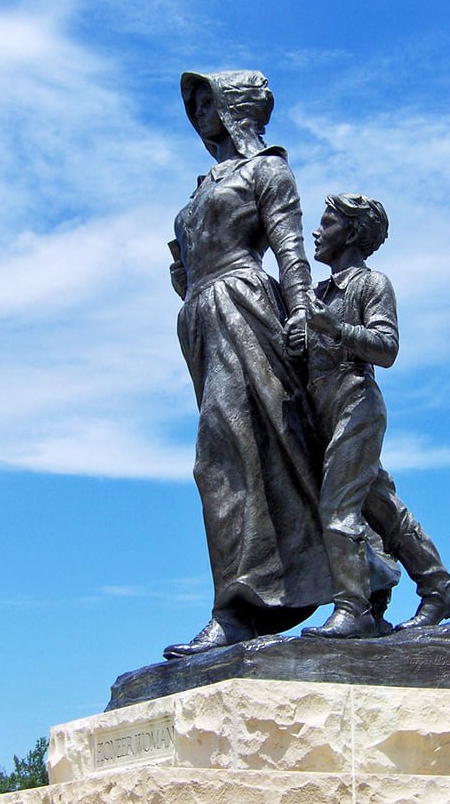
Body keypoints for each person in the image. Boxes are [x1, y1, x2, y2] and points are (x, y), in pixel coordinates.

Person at [164, 70, 333, 658]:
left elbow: (290, 249)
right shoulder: (199, 187)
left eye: (210, 97)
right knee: (236, 455)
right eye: (196, 102)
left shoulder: (267, 170)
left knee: (231, 454)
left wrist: (304, 315)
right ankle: (259, 595)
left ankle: (238, 608)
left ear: (236, 104)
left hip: (244, 304)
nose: (200, 110)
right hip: (202, 318)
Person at [289, 193, 450, 638]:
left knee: (338, 509)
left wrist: (333, 328)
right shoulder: (320, 293)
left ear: (351, 232)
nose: (316, 231)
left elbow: (387, 348)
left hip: (356, 402)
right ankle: (439, 587)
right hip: (323, 409)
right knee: (382, 507)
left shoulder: (371, 284)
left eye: (326, 223)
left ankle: (353, 609)